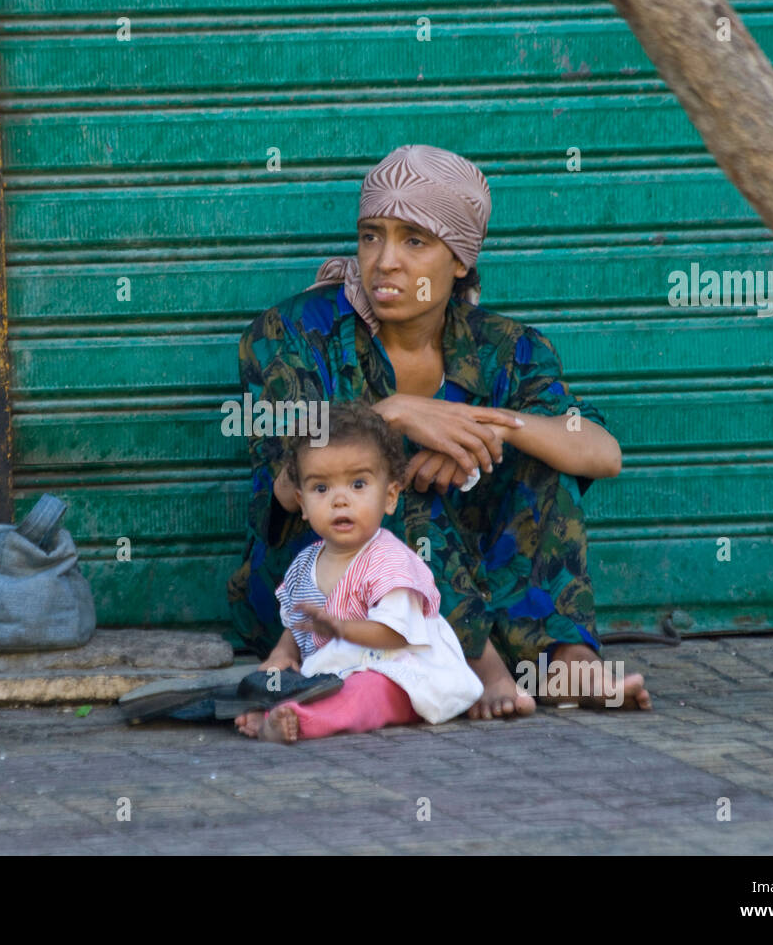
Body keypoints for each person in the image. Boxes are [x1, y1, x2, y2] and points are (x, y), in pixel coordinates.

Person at [226, 144, 652, 716]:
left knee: (544, 455)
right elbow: (285, 490)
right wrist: (393, 416)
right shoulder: (293, 333)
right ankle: (483, 670)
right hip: (320, 593)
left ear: (460, 261)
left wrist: (484, 433)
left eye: (414, 241)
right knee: (379, 479)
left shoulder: (505, 347)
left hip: (465, 580)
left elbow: (602, 453)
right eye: (371, 235)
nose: (385, 261)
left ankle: (565, 661)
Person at [234, 401, 495, 744]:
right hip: (334, 673)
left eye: (358, 484)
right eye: (321, 488)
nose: (340, 500)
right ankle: (274, 712)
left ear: (389, 497)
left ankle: (304, 720)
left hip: (401, 674)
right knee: (273, 679)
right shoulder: (303, 566)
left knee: (367, 692)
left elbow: (395, 634)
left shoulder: (388, 561)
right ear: (302, 503)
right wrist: (282, 656)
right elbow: (297, 628)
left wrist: (340, 627)